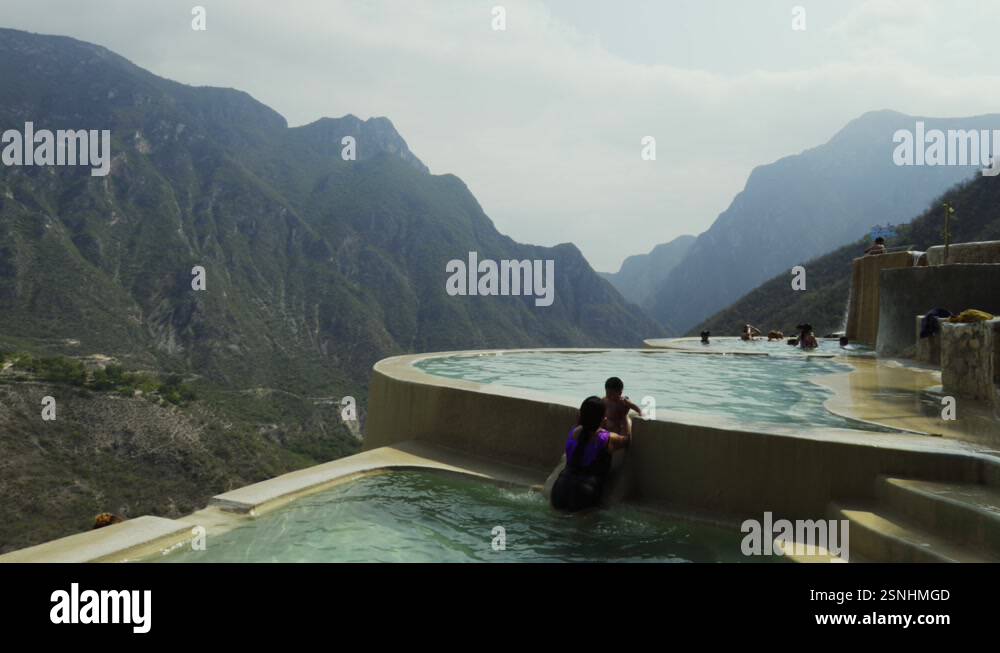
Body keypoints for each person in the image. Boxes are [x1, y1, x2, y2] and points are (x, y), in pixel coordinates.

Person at [550, 396, 630, 512]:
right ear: (603, 419)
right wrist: (624, 416)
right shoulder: (607, 439)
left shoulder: (573, 433)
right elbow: (627, 439)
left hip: (559, 490)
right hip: (585, 494)